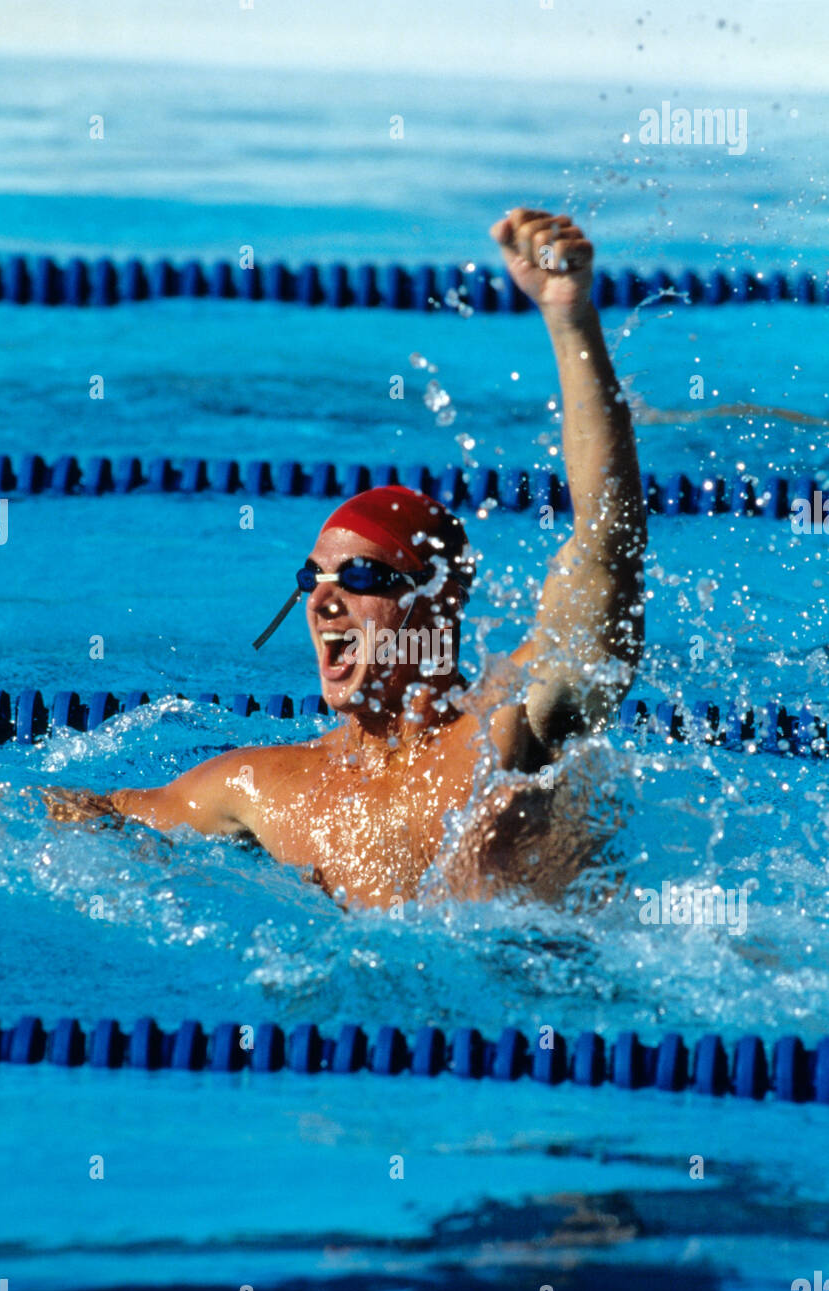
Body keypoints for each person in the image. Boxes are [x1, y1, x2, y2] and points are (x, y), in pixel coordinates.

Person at [45, 208, 647, 908]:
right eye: (311, 579)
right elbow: (96, 812)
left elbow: (608, 546)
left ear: (440, 597)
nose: (322, 600)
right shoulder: (268, 787)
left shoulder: (507, 728)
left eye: (361, 577)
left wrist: (569, 322)